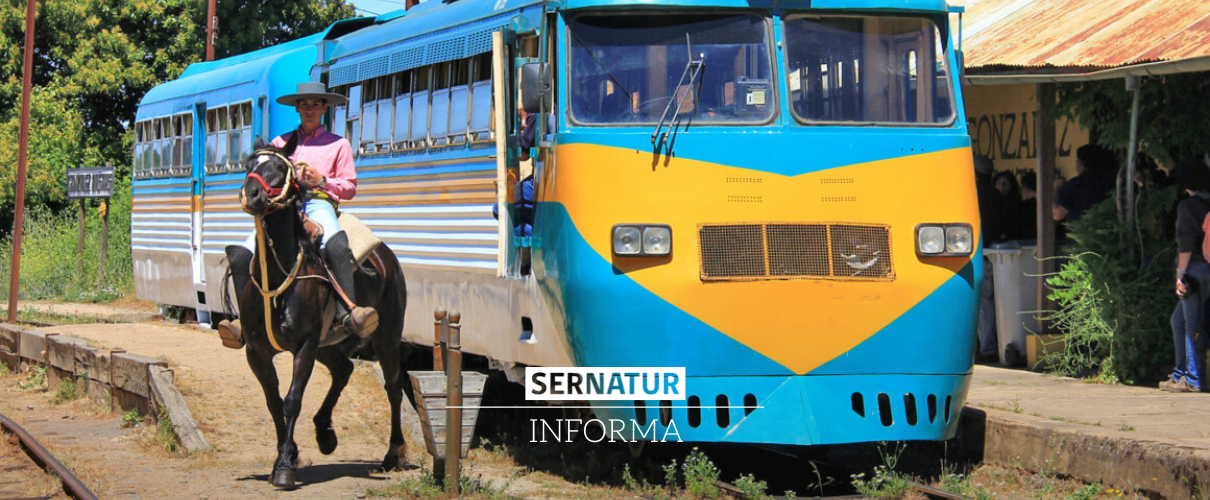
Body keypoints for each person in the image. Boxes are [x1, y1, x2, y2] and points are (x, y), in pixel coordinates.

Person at [218, 82, 378, 345]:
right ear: (297, 108)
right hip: (282, 208)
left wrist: (322, 180)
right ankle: (243, 322)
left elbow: (349, 188)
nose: (310, 109)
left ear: (324, 108)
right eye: (304, 104)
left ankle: (348, 312)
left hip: (319, 204)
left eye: (316, 104)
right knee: (239, 254)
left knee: (336, 244)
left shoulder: (339, 145)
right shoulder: (279, 143)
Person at [1162, 160, 1210, 392]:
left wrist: (1180, 274)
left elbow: (1186, 244)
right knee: (1178, 321)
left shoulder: (1188, 206)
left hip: (1195, 271)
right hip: (1208, 270)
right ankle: (1181, 373)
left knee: (1191, 325)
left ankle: (1192, 379)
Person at [974, 155, 1001, 362]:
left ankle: (987, 346)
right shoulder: (996, 194)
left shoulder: (974, 194)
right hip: (992, 250)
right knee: (988, 301)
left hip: (981, 252)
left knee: (984, 302)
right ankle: (987, 344)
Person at [1053, 144, 1115, 224]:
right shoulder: (1111, 182)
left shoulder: (1075, 184)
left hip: (1083, 233)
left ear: (1080, 163)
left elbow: (1058, 214)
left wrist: (1056, 187)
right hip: (1107, 232)